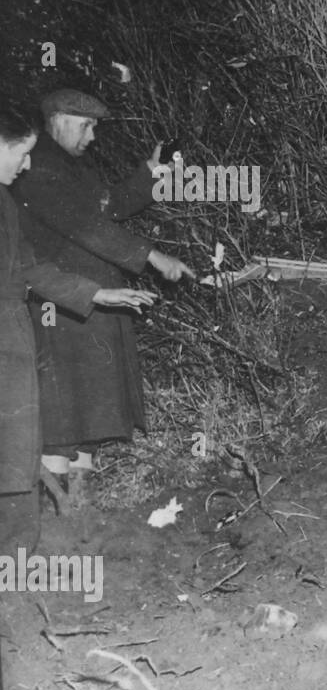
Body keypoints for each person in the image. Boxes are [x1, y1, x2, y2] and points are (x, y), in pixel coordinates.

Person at [11, 89, 193, 506]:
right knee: (62, 421)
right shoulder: (35, 167)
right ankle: (56, 520)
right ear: (58, 118)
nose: (92, 136)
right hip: (61, 304)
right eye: (87, 125)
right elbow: (85, 227)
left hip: (96, 303)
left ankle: (77, 511)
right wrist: (152, 255)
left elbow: (109, 207)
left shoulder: (73, 166)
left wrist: (150, 172)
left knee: (90, 416)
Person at [0, 105, 155, 551]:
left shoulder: (6, 201)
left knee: (17, 453)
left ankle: (17, 563)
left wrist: (96, 295)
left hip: (13, 338)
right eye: (21, 154)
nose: (27, 165)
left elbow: (29, 267)